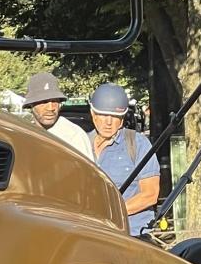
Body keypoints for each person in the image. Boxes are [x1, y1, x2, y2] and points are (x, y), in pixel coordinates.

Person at [87, 83, 160, 236]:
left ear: (122, 118)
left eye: (114, 116)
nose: (108, 122)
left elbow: (150, 194)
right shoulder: (81, 144)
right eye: (103, 115)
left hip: (132, 233)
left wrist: (111, 213)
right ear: (93, 114)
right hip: (93, 234)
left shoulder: (137, 144)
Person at [21, 70, 94, 160]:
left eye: (55, 101)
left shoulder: (74, 136)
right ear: (31, 105)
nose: (51, 108)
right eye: (44, 102)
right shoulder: (24, 132)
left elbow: (87, 172)